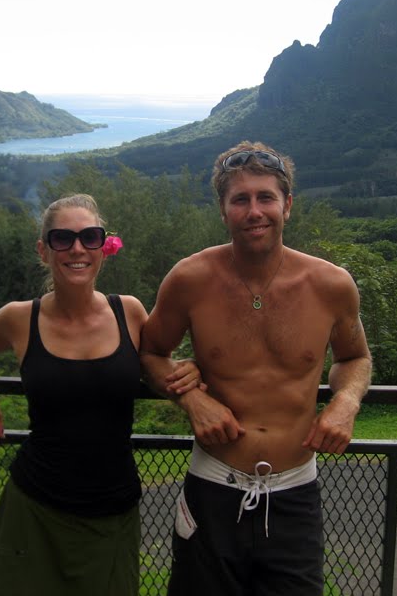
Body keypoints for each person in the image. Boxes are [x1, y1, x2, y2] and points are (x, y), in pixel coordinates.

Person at [140, 141, 372, 595]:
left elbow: (354, 357)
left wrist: (346, 401)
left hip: (294, 492)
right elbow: (150, 353)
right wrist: (189, 397)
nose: (254, 211)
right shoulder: (191, 279)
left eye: (265, 197)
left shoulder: (330, 284)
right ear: (223, 210)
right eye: (240, 199)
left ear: (287, 205)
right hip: (212, 490)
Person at [0, 193, 202, 596]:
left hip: (113, 511)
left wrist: (187, 375)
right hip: (34, 508)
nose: (77, 248)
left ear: (104, 247)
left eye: (89, 236)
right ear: (44, 251)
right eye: (62, 238)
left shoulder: (130, 312)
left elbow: (158, 366)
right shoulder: (20, 317)